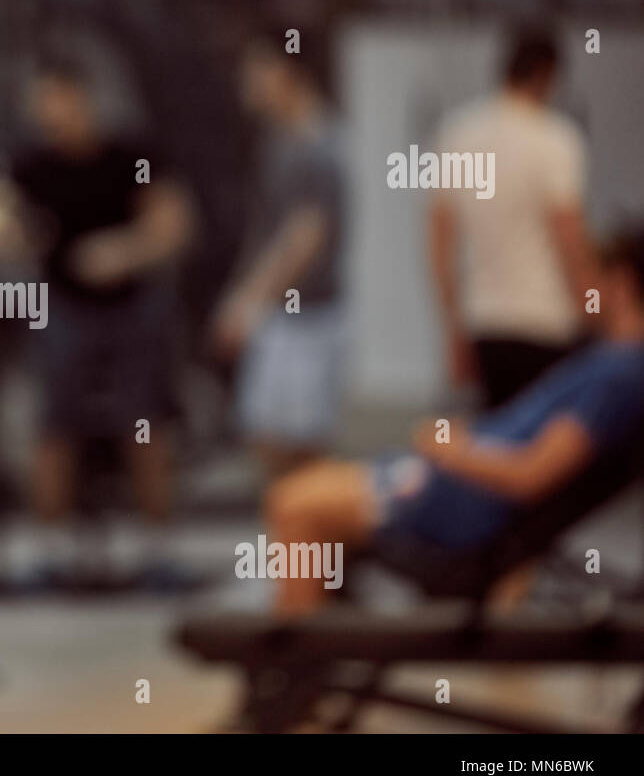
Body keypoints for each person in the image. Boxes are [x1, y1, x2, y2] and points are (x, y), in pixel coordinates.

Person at [265, 231, 644, 616]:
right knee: (304, 489)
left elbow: (531, 475)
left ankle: (294, 662)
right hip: (446, 487)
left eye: (587, 275)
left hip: (458, 507)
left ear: (620, 283)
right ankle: (312, 647)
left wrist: (454, 451)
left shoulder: (619, 376)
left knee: (295, 507)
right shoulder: (606, 360)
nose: (576, 286)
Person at [0, 61, 193, 585]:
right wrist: (0, 231)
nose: (51, 113)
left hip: (133, 308)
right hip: (63, 309)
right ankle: (50, 554)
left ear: (85, 100)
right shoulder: (30, 164)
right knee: (54, 425)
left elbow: (173, 225)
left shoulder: (131, 157)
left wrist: (125, 251)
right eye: (42, 103)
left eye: (60, 100)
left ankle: (158, 552)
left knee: (144, 423)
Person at [429, 28, 597, 410]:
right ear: (546, 74)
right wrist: (594, 315)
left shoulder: (457, 135)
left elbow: (439, 246)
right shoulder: (555, 139)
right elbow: (570, 242)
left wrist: (453, 328)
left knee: (497, 448)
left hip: (484, 322)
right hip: (547, 322)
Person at [209, 34, 348, 475]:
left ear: (287, 73)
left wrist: (250, 301)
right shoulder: (278, 143)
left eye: (256, 69)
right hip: (283, 317)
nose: (246, 82)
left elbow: (305, 236)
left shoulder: (318, 145)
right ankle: (295, 539)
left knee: (296, 447)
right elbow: (267, 234)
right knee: (268, 438)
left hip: (310, 318)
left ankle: (315, 540)